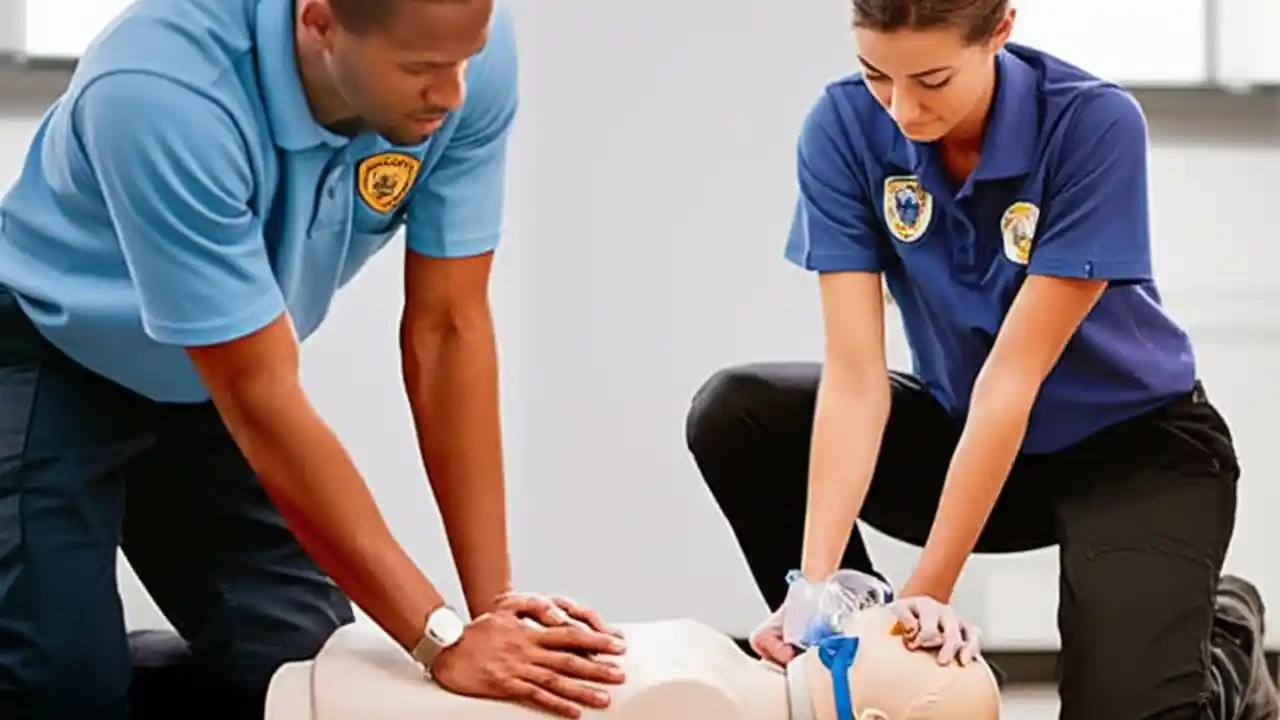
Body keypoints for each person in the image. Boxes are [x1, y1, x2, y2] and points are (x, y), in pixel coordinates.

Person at [0, 0, 625, 718]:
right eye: (421, 70)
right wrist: (441, 640)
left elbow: (449, 329)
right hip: (49, 354)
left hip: (209, 388)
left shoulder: (458, 48)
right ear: (320, 20)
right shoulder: (159, 90)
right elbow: (261, 397)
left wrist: (494, 613)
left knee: (308, 677)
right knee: (57, 687)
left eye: (462, 61)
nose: (453, 94)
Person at [684, 1, 1280, 719]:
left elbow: (1012, 377)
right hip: (967, 435)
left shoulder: (1092, 124)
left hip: (1136, 451)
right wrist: (818, 593)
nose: (902, 108)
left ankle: (1224, 636)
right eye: (876, 74)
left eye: (932, 79)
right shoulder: (841, 126)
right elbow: (855, 379)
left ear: (1000, 31)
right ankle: (855, 642)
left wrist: (931, 590)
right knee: (737, 414)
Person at [260, 605, 1000, 720]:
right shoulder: (739, 684)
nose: (888, 618)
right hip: (343, 690)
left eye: (900, 643)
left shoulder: (711, 695)